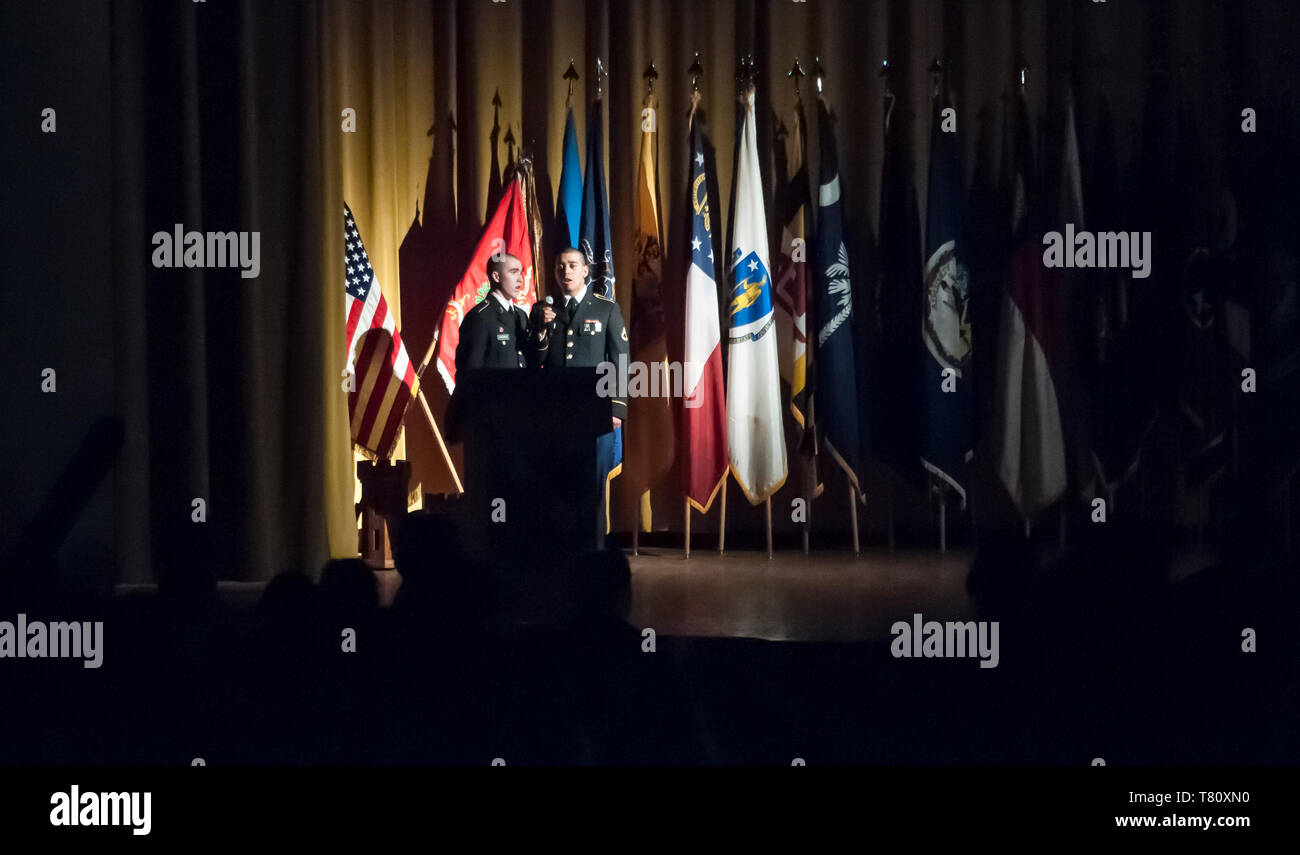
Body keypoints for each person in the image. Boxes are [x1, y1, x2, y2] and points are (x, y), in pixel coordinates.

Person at [529, 247, 628, 543]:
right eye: (560, 267)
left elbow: (620, 359)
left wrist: (618, 408)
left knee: (592, 487)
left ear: (585, 271)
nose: (566, 272)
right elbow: (534, 362)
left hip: (595, 411)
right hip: (556, 413)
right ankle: (563, 550)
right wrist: (541, 331)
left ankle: (594, 551)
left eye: (572, 266)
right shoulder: (543, 311)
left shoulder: (606, 309)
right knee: (559, 484)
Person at [454, 252, 535, 372]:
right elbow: (470, 371)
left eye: (520, 272)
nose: (520, 279)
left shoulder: (521, 315)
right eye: (513, 272)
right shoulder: (480, 317)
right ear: (496, 277)